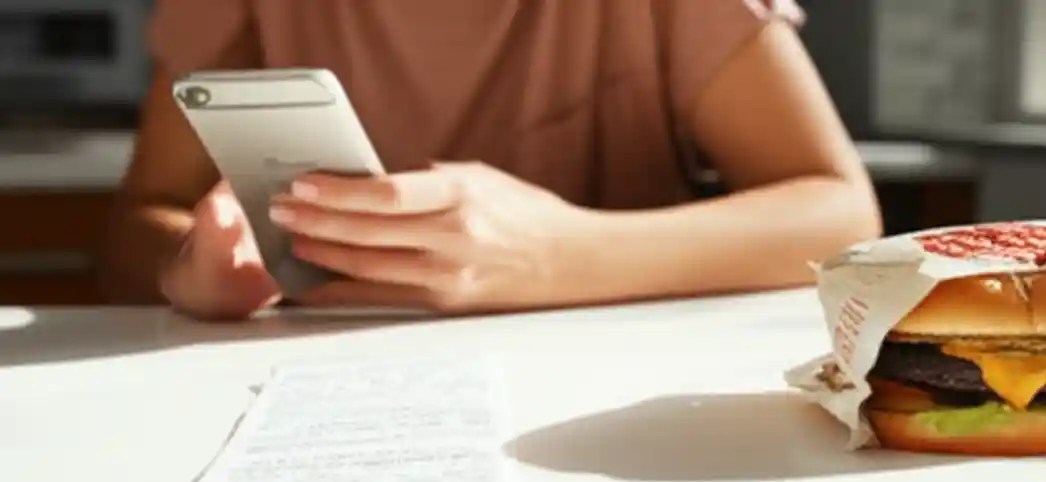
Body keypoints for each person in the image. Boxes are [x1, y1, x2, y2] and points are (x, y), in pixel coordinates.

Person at [99, 0, 882, 320]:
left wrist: (561, 254)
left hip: (610, 400)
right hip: (310, 407)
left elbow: (838, 210)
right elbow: (142, 216)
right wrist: (190, 263)